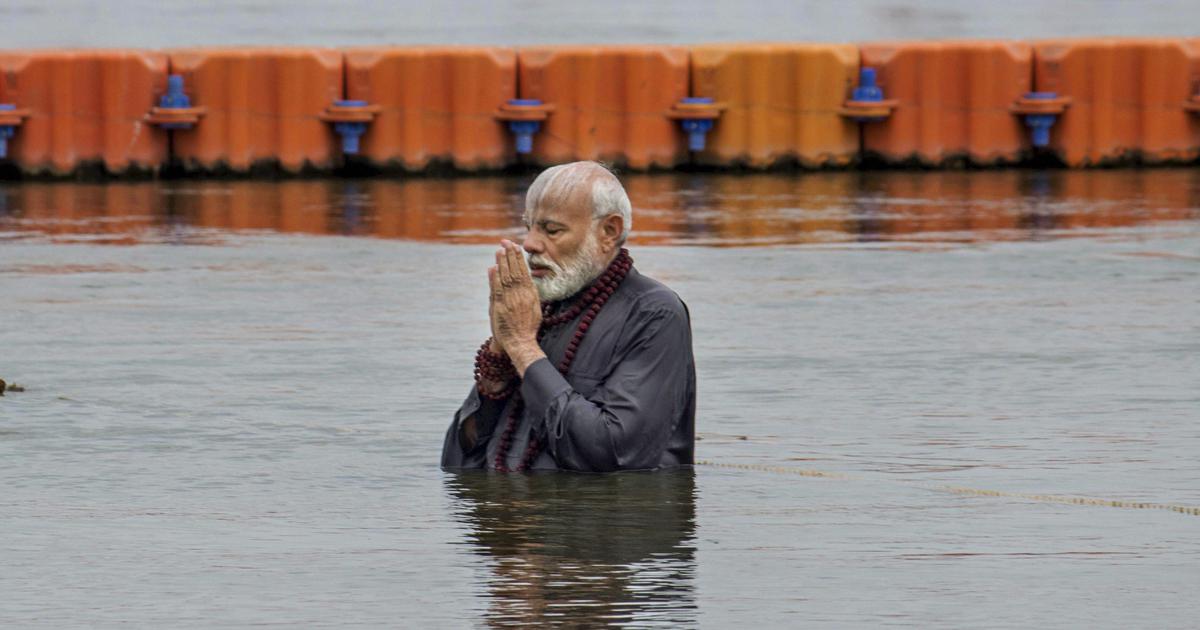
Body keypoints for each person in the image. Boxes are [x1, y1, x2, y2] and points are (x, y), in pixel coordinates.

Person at [440, 161, 696, 472]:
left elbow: (616, 455)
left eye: (552, 230)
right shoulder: (541, 310)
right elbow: (456, 464)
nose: (530, 244)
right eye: (529, 227)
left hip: (602, 504)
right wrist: (500, 351)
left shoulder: (655, 314)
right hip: (511, 501)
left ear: (608, 232)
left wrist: (523, 347)